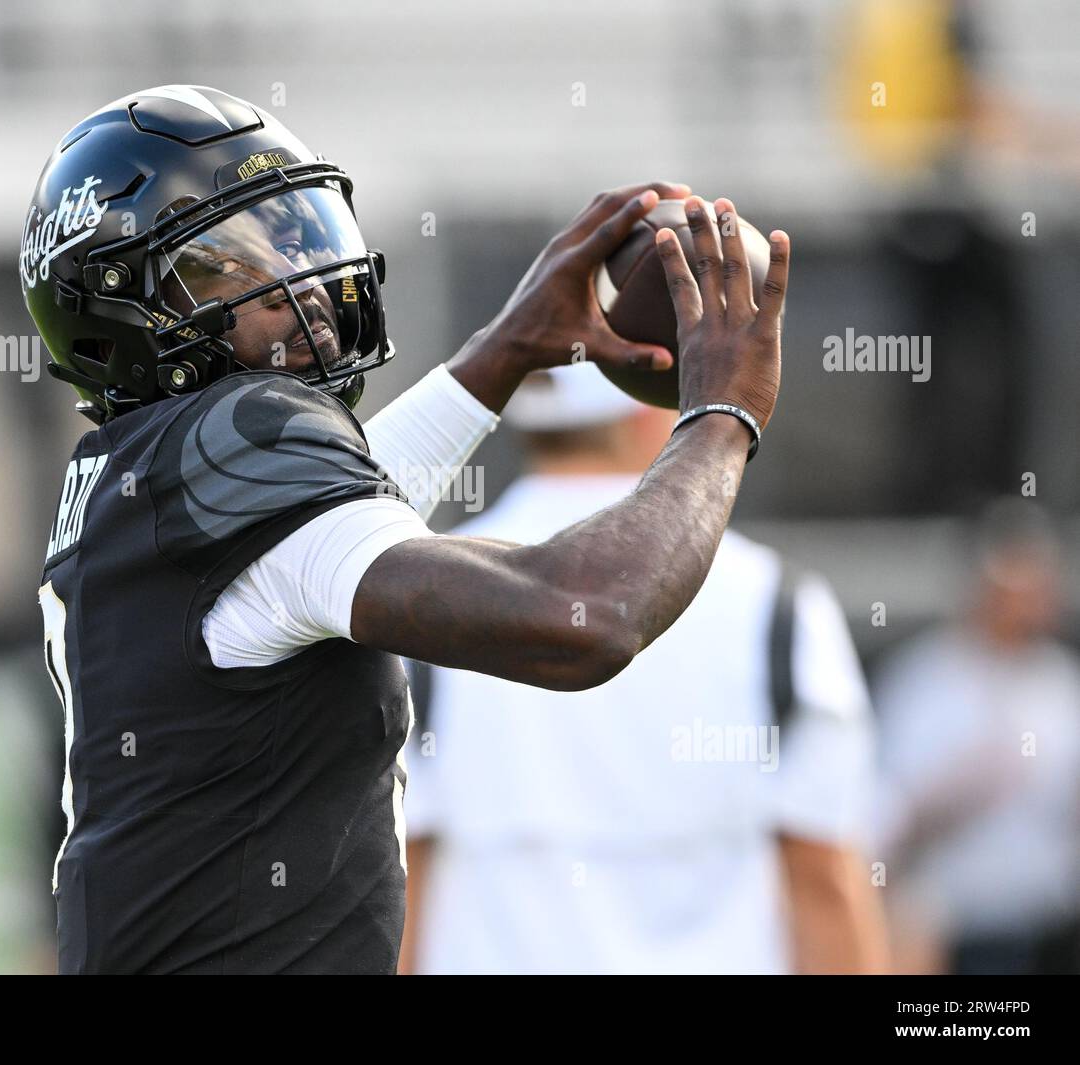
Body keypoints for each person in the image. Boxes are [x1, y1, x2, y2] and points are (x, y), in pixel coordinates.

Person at [21, 85, 790, 974]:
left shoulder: (142, 475)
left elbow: (325, 532)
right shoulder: (237, 441)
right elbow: (585, 614)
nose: (298, 283)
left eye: (293, 233)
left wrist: (503, 351)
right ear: (119, 312)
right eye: (231, 262)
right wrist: (723, 414)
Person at [398, 364, 886, 974]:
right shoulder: (779, 604)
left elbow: (405, 883)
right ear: (657, 406)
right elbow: (825, 885)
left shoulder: (423, 597)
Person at [873, 499, 1080, 974]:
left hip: (1051, 931)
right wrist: (958, 789)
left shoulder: (1062, 684)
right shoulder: (923, 680)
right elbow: (885, 814)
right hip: (954, 936)